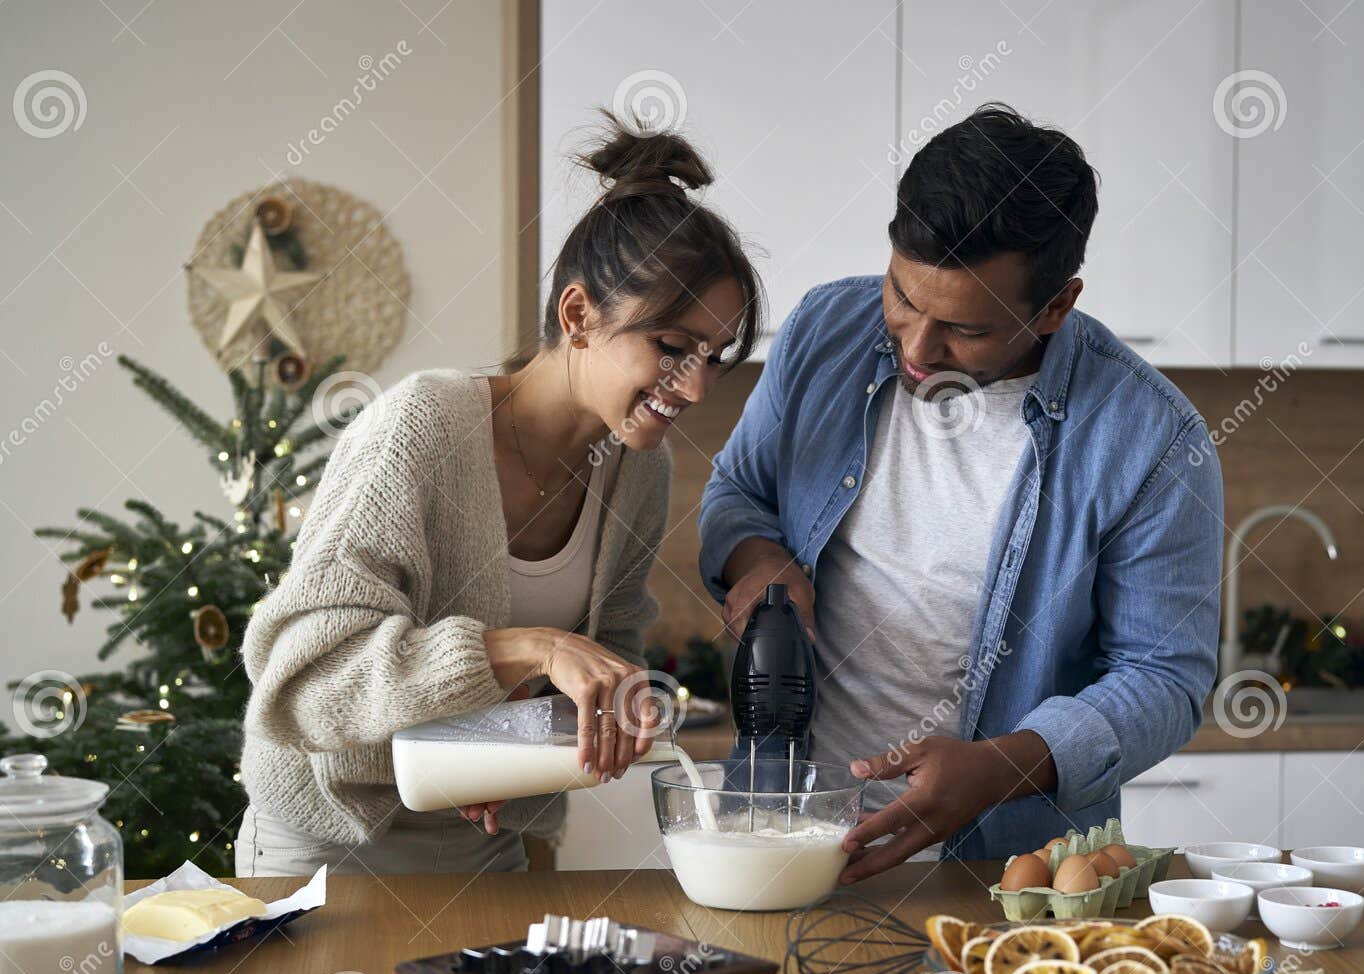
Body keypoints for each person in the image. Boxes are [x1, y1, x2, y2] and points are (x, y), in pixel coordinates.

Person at [699, 104, 1222, 883]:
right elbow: (738, 489)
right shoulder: (824, 330)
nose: (916, 347)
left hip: (1004, 870)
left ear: (1056, 306)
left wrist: (1000, 768)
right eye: (904, 297)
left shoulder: (1153, 439)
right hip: (781, 831)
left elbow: (1166, 676)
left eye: (965, 330)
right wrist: (758, 557)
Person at [237, 115, 762, 876]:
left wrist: (564, 728)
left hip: (483, 845)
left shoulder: (637, 470)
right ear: (578, 315)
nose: (700, 384)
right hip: (328, 848)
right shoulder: (422, 430)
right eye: (674, 348)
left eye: (715, 355)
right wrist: (529, 647)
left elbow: (608, 649)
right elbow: (305, 686)